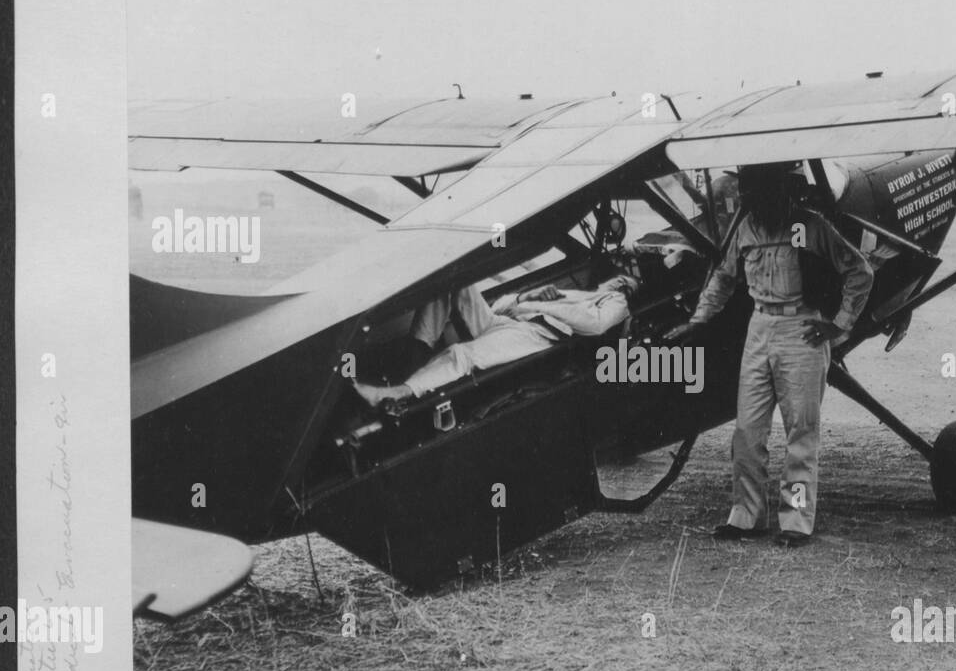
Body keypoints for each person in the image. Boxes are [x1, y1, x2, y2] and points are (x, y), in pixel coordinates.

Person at [664, 163, 872, 546]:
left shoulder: (811, 227)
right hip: (759, 329)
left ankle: (795, 522)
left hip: (802, 330)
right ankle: (746, 517)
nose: (757, 203)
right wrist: (698, 321)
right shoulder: (745, 228)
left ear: (785, 191)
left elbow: (859, 271)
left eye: (766, 193)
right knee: (747, 431)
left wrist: (838, 325)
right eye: (751, 196)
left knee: (801, 434)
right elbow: (724, 278)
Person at [354, 273, 638, 406]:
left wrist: (538, 306)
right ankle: (414, 363)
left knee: (463, 355)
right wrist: (526, 297)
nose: (619, 282)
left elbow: (597, 327)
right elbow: (502, 305)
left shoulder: (615, 301)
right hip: (505, 320)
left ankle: (396, 393)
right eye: (619, 278)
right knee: (452, 281)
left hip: (534, 333)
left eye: (626, 282)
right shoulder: (581, 293)